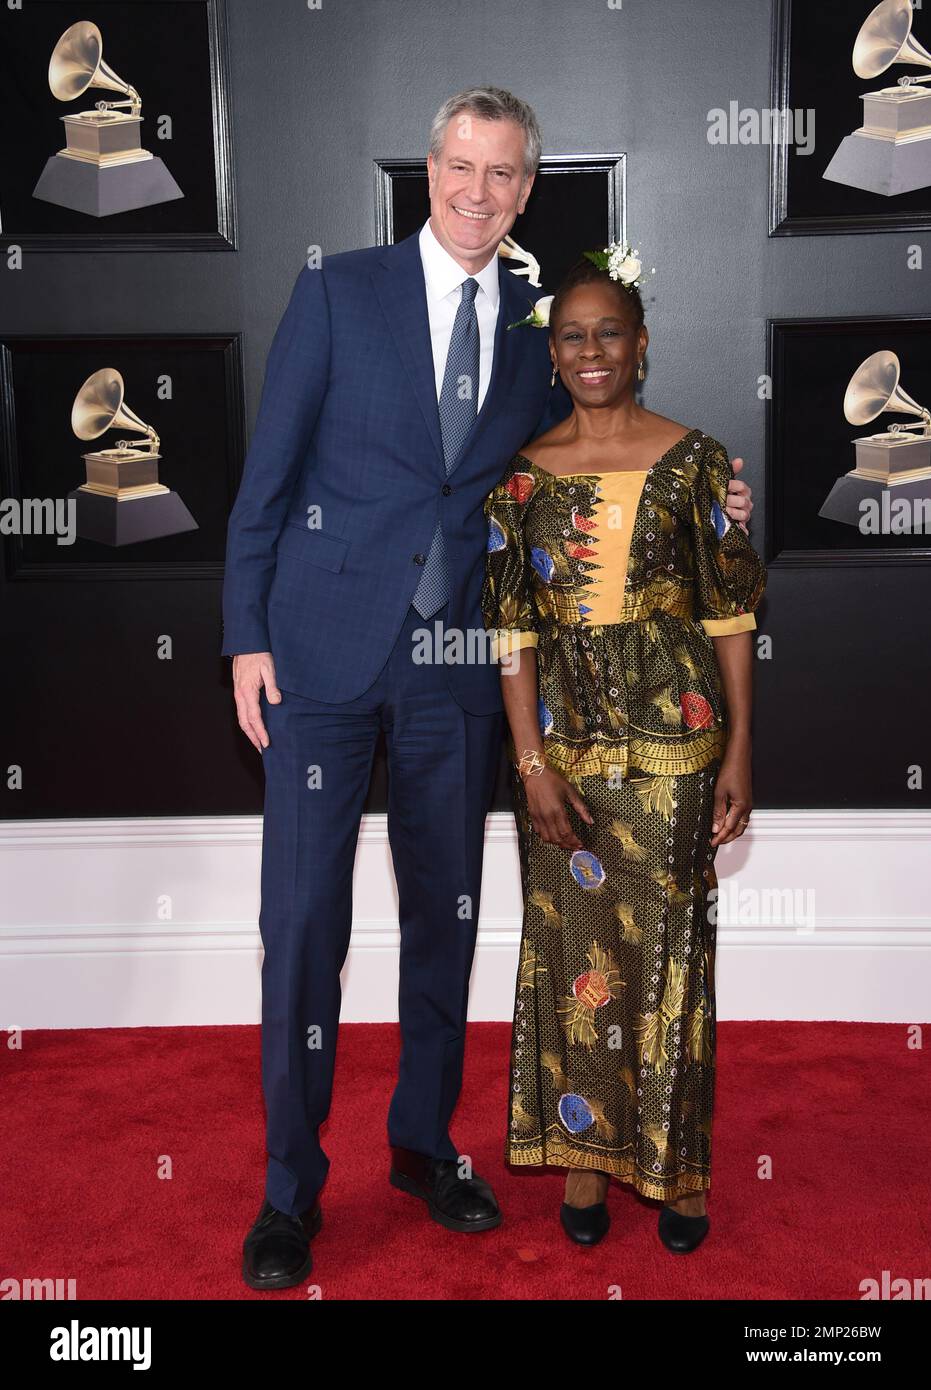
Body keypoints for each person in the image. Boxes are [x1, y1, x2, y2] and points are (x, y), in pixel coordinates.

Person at [222, 87, 754, 1290]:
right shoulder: (337, 290)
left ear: (525, 187)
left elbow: (599, 446)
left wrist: (715, 496)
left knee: (444, 925)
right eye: (461, 167)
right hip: (315, 657)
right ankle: (288, 1193)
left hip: (458, 670)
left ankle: (421, 1145)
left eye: (503, 174)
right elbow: (266, 476)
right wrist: (244, 632)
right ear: (428, 169)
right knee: (300, 927)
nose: (479, 192)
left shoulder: (537, 325)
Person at [482, 252, 766, 1253]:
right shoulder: (519, 477)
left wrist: (737, 749)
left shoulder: (695, 461)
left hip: (679, 753)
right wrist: (530, 766)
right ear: (552, 353)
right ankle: (590, 1162)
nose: (591, 349)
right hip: (563, 754)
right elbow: (510, 632)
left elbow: (730, 613)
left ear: (640, 344)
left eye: (609, 331)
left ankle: (679, 1171)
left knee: (674, 959)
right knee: (572, 962)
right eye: (572, 334)